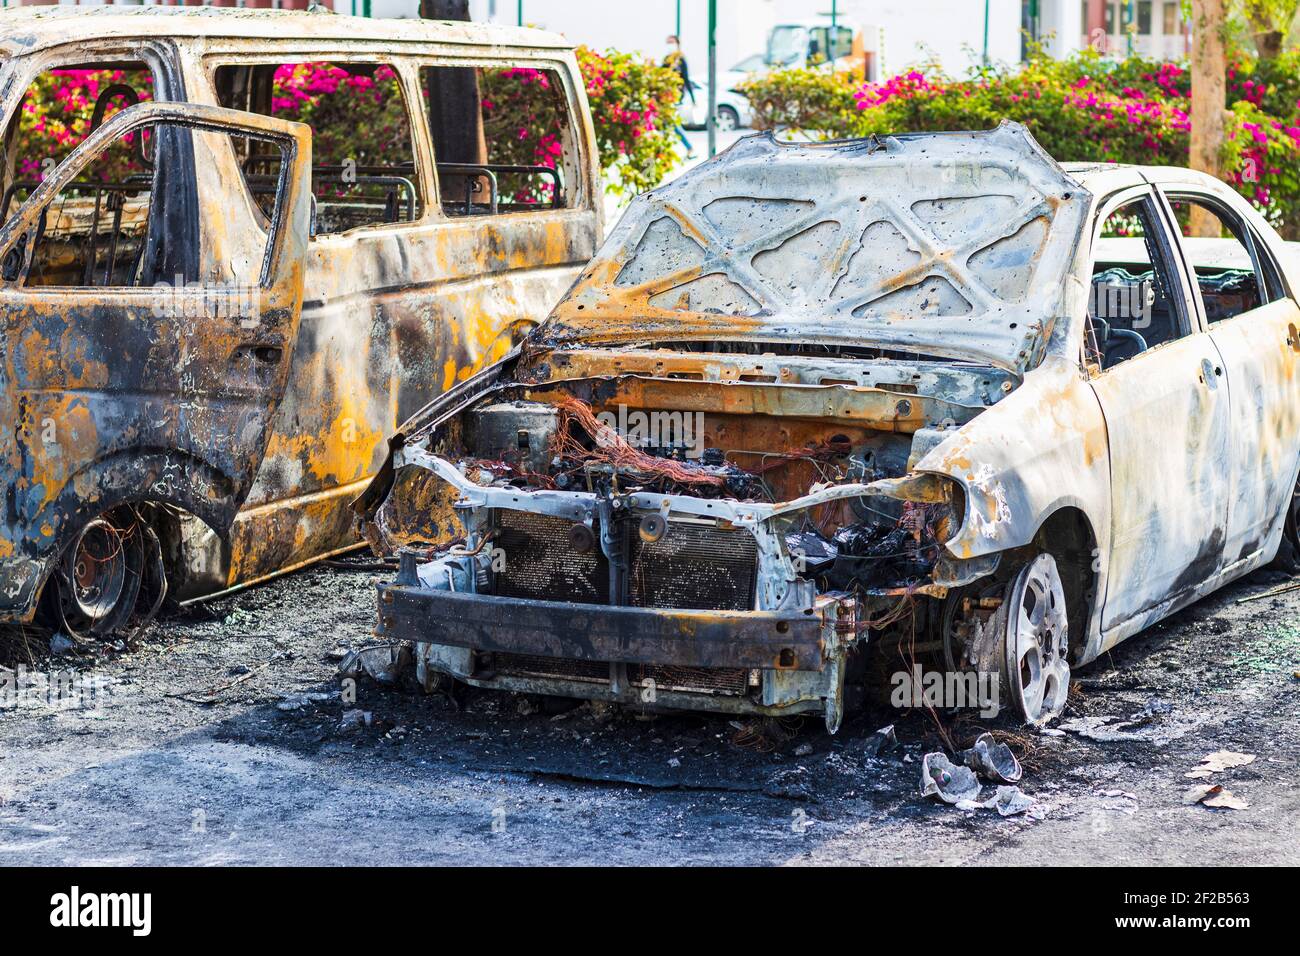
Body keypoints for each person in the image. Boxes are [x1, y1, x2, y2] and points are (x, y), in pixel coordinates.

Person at [664, 34, 696, 159]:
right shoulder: (667, 59)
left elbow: (686, 79)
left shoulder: (681, 59)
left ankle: (689, 147)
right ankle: (687, 148)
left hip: (677, 96)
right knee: (669, 123)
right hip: (666, 95)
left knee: (672, 123)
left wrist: (693, 98)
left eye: (671, 42)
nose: (669, 45)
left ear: (677, 43)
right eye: (667, 42)